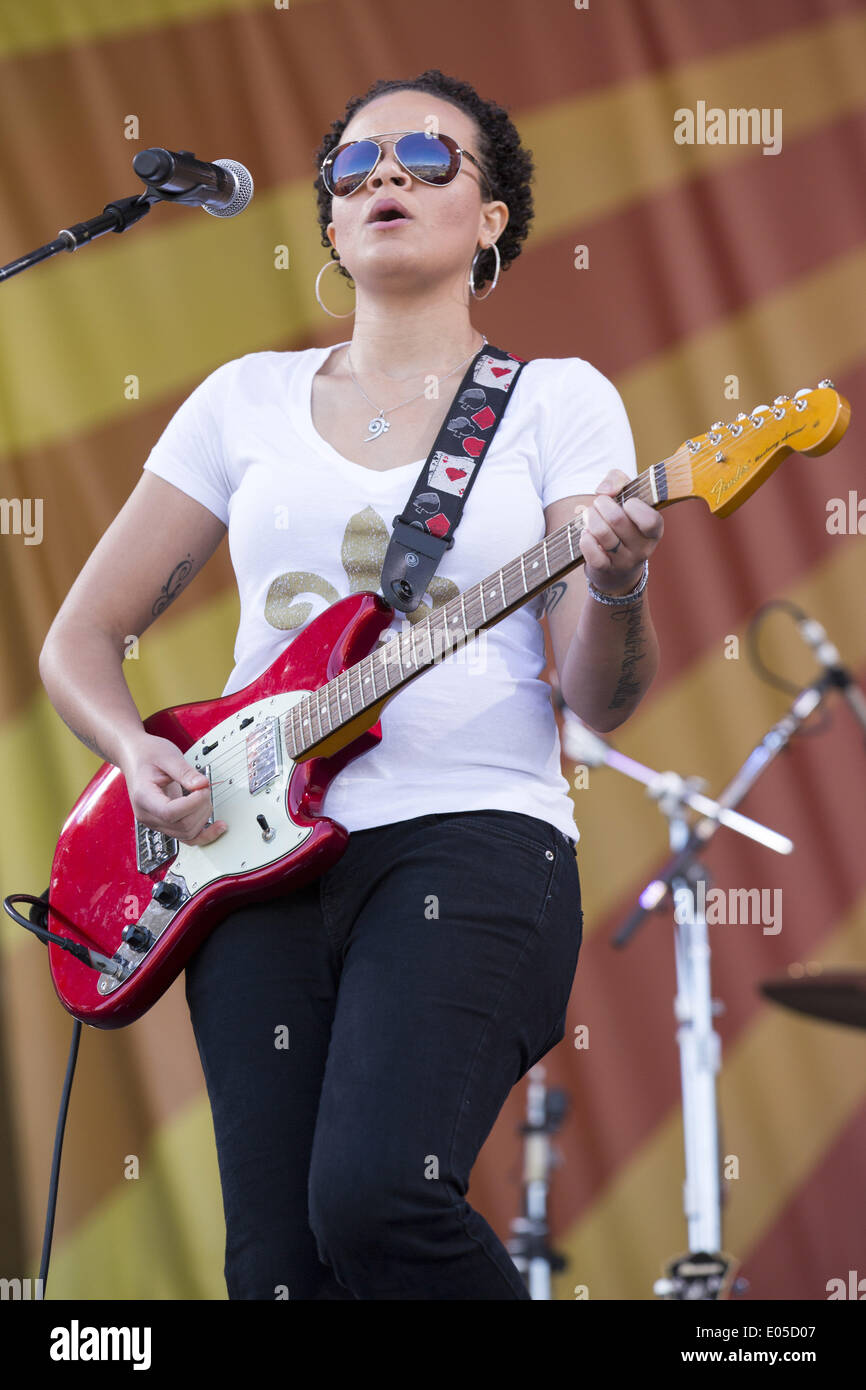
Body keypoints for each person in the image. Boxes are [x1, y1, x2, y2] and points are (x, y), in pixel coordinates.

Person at [38, 69, 664, 1300]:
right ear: (328, 221)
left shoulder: (554, 401)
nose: (385, 175)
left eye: (428, 157)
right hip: (248, 854)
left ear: (491, 217)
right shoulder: (244, 400)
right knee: (277, 1268)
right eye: (354, 165)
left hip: (470, 833)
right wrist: (132, 750)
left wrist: (620, 585)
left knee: (376, 1196)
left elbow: (598, 701)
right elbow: (78, 640)